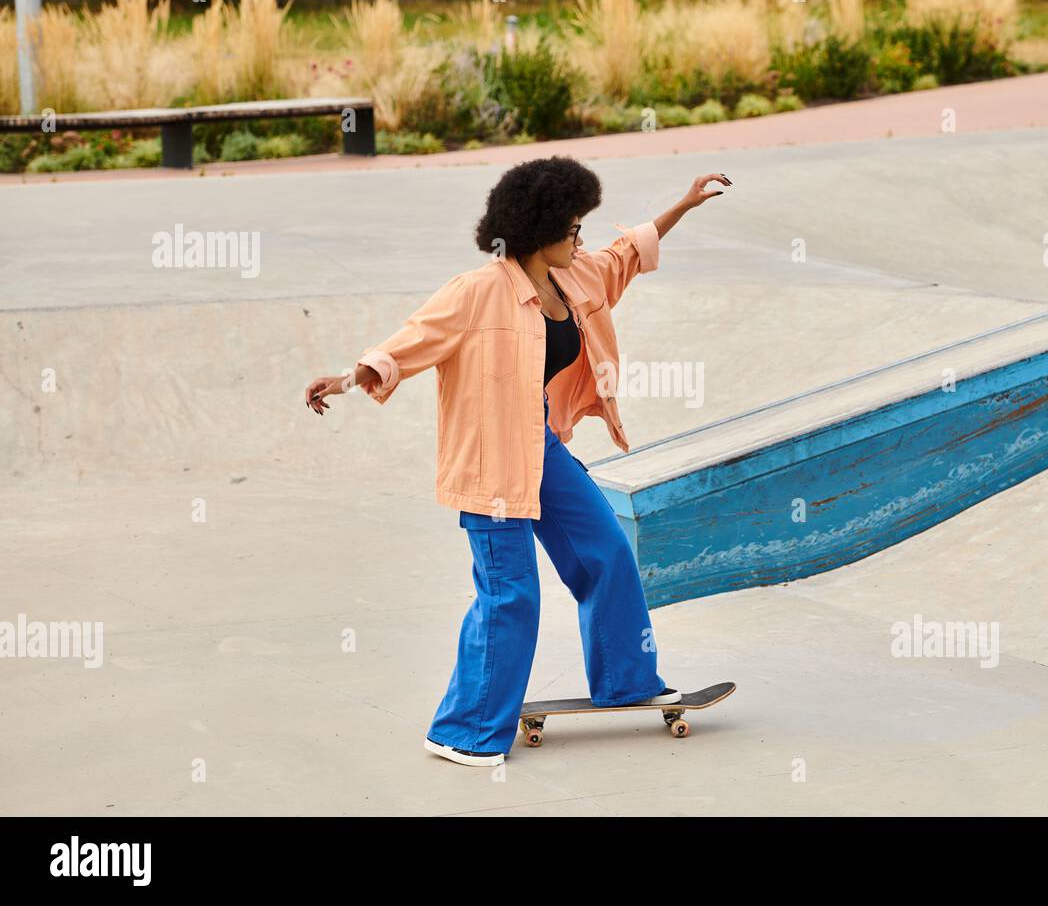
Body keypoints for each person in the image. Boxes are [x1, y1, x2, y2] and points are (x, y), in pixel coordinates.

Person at [305, 156, 730, 766]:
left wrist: (685, 204)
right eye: (573, 227)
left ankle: (627, 680)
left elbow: (624, 255)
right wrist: (348, 378)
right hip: (492, 465)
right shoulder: (477, 292)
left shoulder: (574, 276)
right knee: (511, 596)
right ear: (541, 229)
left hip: (542, 446)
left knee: (607, 551)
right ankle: (464, 731)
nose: (581, 238)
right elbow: (411, 341)